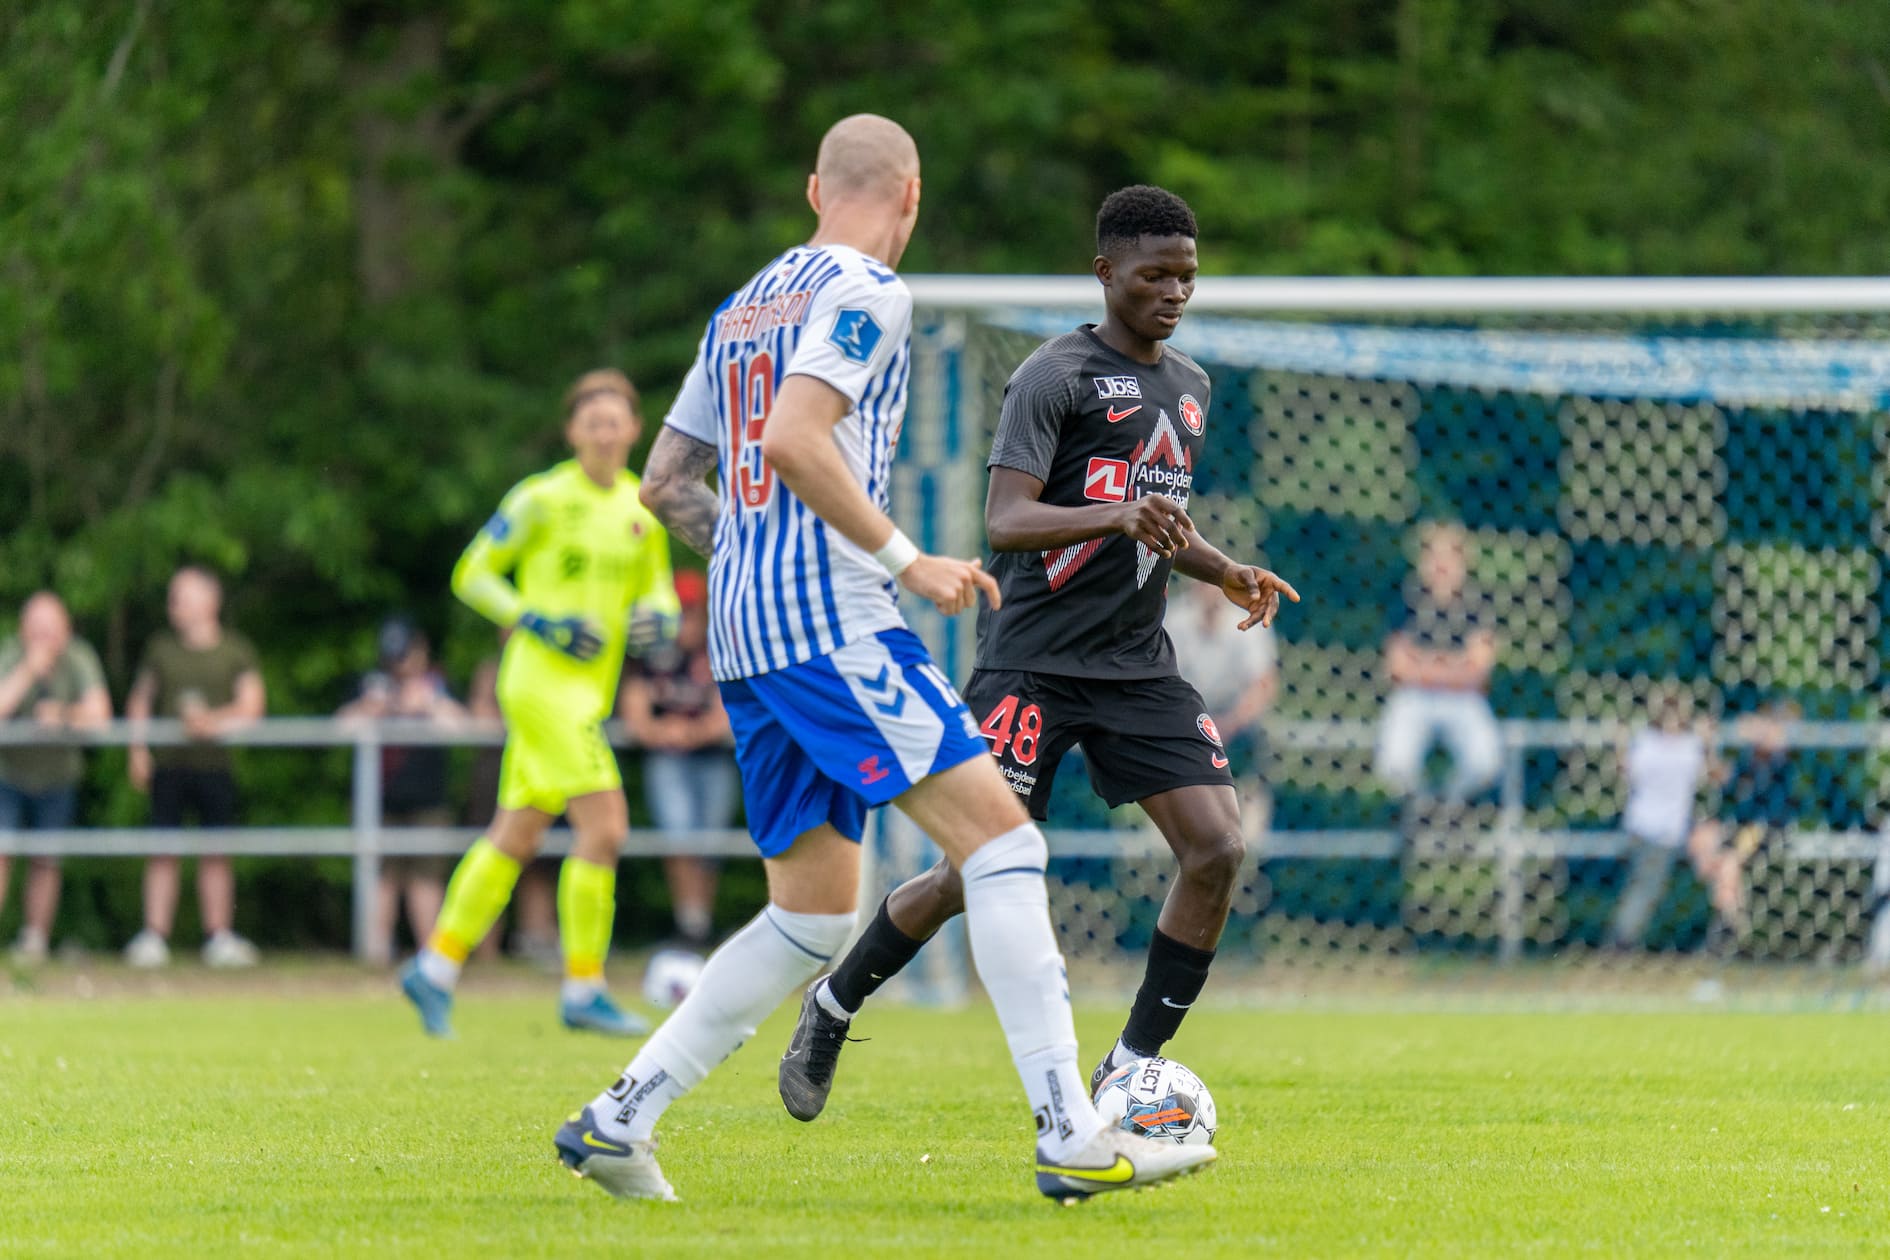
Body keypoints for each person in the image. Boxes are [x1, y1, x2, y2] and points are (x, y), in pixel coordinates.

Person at [553, 117, 1215, 1204]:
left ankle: (620, 1118)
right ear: (909, 195)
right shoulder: (866, 289)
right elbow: (796, 441)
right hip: (830, 626)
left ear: (818, 187)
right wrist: (909, 561)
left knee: (811, 913)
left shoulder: (743, 305)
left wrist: (759, 559)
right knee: (1003, 847)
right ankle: (1070, 1133)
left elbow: (668, 483)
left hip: (745, 637)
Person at [775, 182, 1299, 1119]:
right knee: (968, 874)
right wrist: (1117, 514)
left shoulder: (1191, 388)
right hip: (1032, 664)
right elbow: (1007, 520)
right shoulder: (1051, 376)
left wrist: (1221, 570)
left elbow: (1158, 522)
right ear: (1106, 274)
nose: (1174, 292)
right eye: (1153, 276)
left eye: (1186, 276)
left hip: (1137, 665)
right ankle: (833, 1001)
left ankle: (1130, 1064)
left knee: (1217, 848)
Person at [400, 368, 677, 1038]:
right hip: (539, 686)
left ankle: (433, 969)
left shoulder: (642, 512)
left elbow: (659, 591)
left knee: (517, 833)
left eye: (616, 421)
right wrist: (536, 619)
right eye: (592, 421)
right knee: (605, 828)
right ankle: (584, 987)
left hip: (589, 693)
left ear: (636, 430)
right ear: (573, 432)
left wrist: (659, 621)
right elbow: (472, 573)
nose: (605, 432)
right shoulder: (542, 498)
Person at [124, 566, 267, 968]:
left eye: (182, 597)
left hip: (215, 766)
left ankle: (219, 936)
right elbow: (140, 701)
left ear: (210, 600)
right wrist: (137, 750)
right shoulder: (161, 649)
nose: (175, 607)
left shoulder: (235, 650)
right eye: (173, 598)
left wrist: (213, 723)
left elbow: (253, 707)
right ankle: (154, 936)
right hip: (168, 767)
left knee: (216, 853)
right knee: (162, 851)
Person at [336, 617, 467, 966]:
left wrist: (427, 706)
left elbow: (463, 727)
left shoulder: (438, 686)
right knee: (381, 878)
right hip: (378, 801)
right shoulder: (371, 685)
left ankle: (432, 959)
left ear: (421, 650)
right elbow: (339, 727)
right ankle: (374, 956)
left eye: (405, 654)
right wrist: (371, 708)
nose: (399, 665)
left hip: (428, 801)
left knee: (426, 880)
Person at [619, 569, 736, 956]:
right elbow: (635, 716)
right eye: (679, 611)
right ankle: (691, 924)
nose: (684, 621)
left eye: (691, 612)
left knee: (710, 843)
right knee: (678, 835)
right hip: (668, 759)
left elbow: (724, 718)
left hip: (712, 758)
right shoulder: (650, 655)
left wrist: (690, 732)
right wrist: (665, 732)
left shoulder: (721, 652)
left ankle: (699, 922)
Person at [0, 592, 112, 963]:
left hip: (58, 776)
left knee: (47, 858)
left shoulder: (79, 656)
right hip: (7, 773)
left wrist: (63, 715)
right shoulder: (12, 653)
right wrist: (29, 670)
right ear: (23, 629)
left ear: (66, 629)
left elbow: (101, 715)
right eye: (37, 629)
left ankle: (35, 940)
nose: (45, 637)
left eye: (51, 629)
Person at [1374, 521, 1501, 802]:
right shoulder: (1405, 598)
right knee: (1394, 763)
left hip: (1463, 699)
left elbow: (1479, 672)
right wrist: (1453, 663)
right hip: (1415, 698)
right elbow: (1396, 668)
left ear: (1462, 561)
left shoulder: (1479, 603)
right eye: (1434, 556)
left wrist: (1422, 663)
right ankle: (1420, 807)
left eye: (1449, 557)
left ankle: (1450, 805)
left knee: (1485, 762)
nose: (1441, 565)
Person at [1164, 575, 1281, 838]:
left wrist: (1230, 722)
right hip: (1186, 721)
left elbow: (1264, 684)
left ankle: (1250, 829)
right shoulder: (1176, 621)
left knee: (1257, 746)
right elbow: (1162, 679)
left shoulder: (1246, 620)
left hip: (1236, 727)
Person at [1687, 700, 1797, 950]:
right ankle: (1730, 917)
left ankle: (1727, 930)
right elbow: (1719, 777)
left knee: (1729, 863)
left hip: (1769, 826)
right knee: (1705, 838)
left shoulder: (1779, 755)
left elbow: (1777, 736)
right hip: (1743, 827)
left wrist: (1749, 727)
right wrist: (1707, 744)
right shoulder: (1749, 760)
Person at [1608, 687, 1712, 950]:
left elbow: (1625, 770)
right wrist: (1707, 741)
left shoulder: (1646, 742)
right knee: (1646, 888)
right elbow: (1710, 773)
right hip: (1662, 830)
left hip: (1642, 825)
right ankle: (1622, 940)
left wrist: (1619, 743)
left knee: (1641, 884)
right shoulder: (1687, 747)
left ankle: (1625, 936)